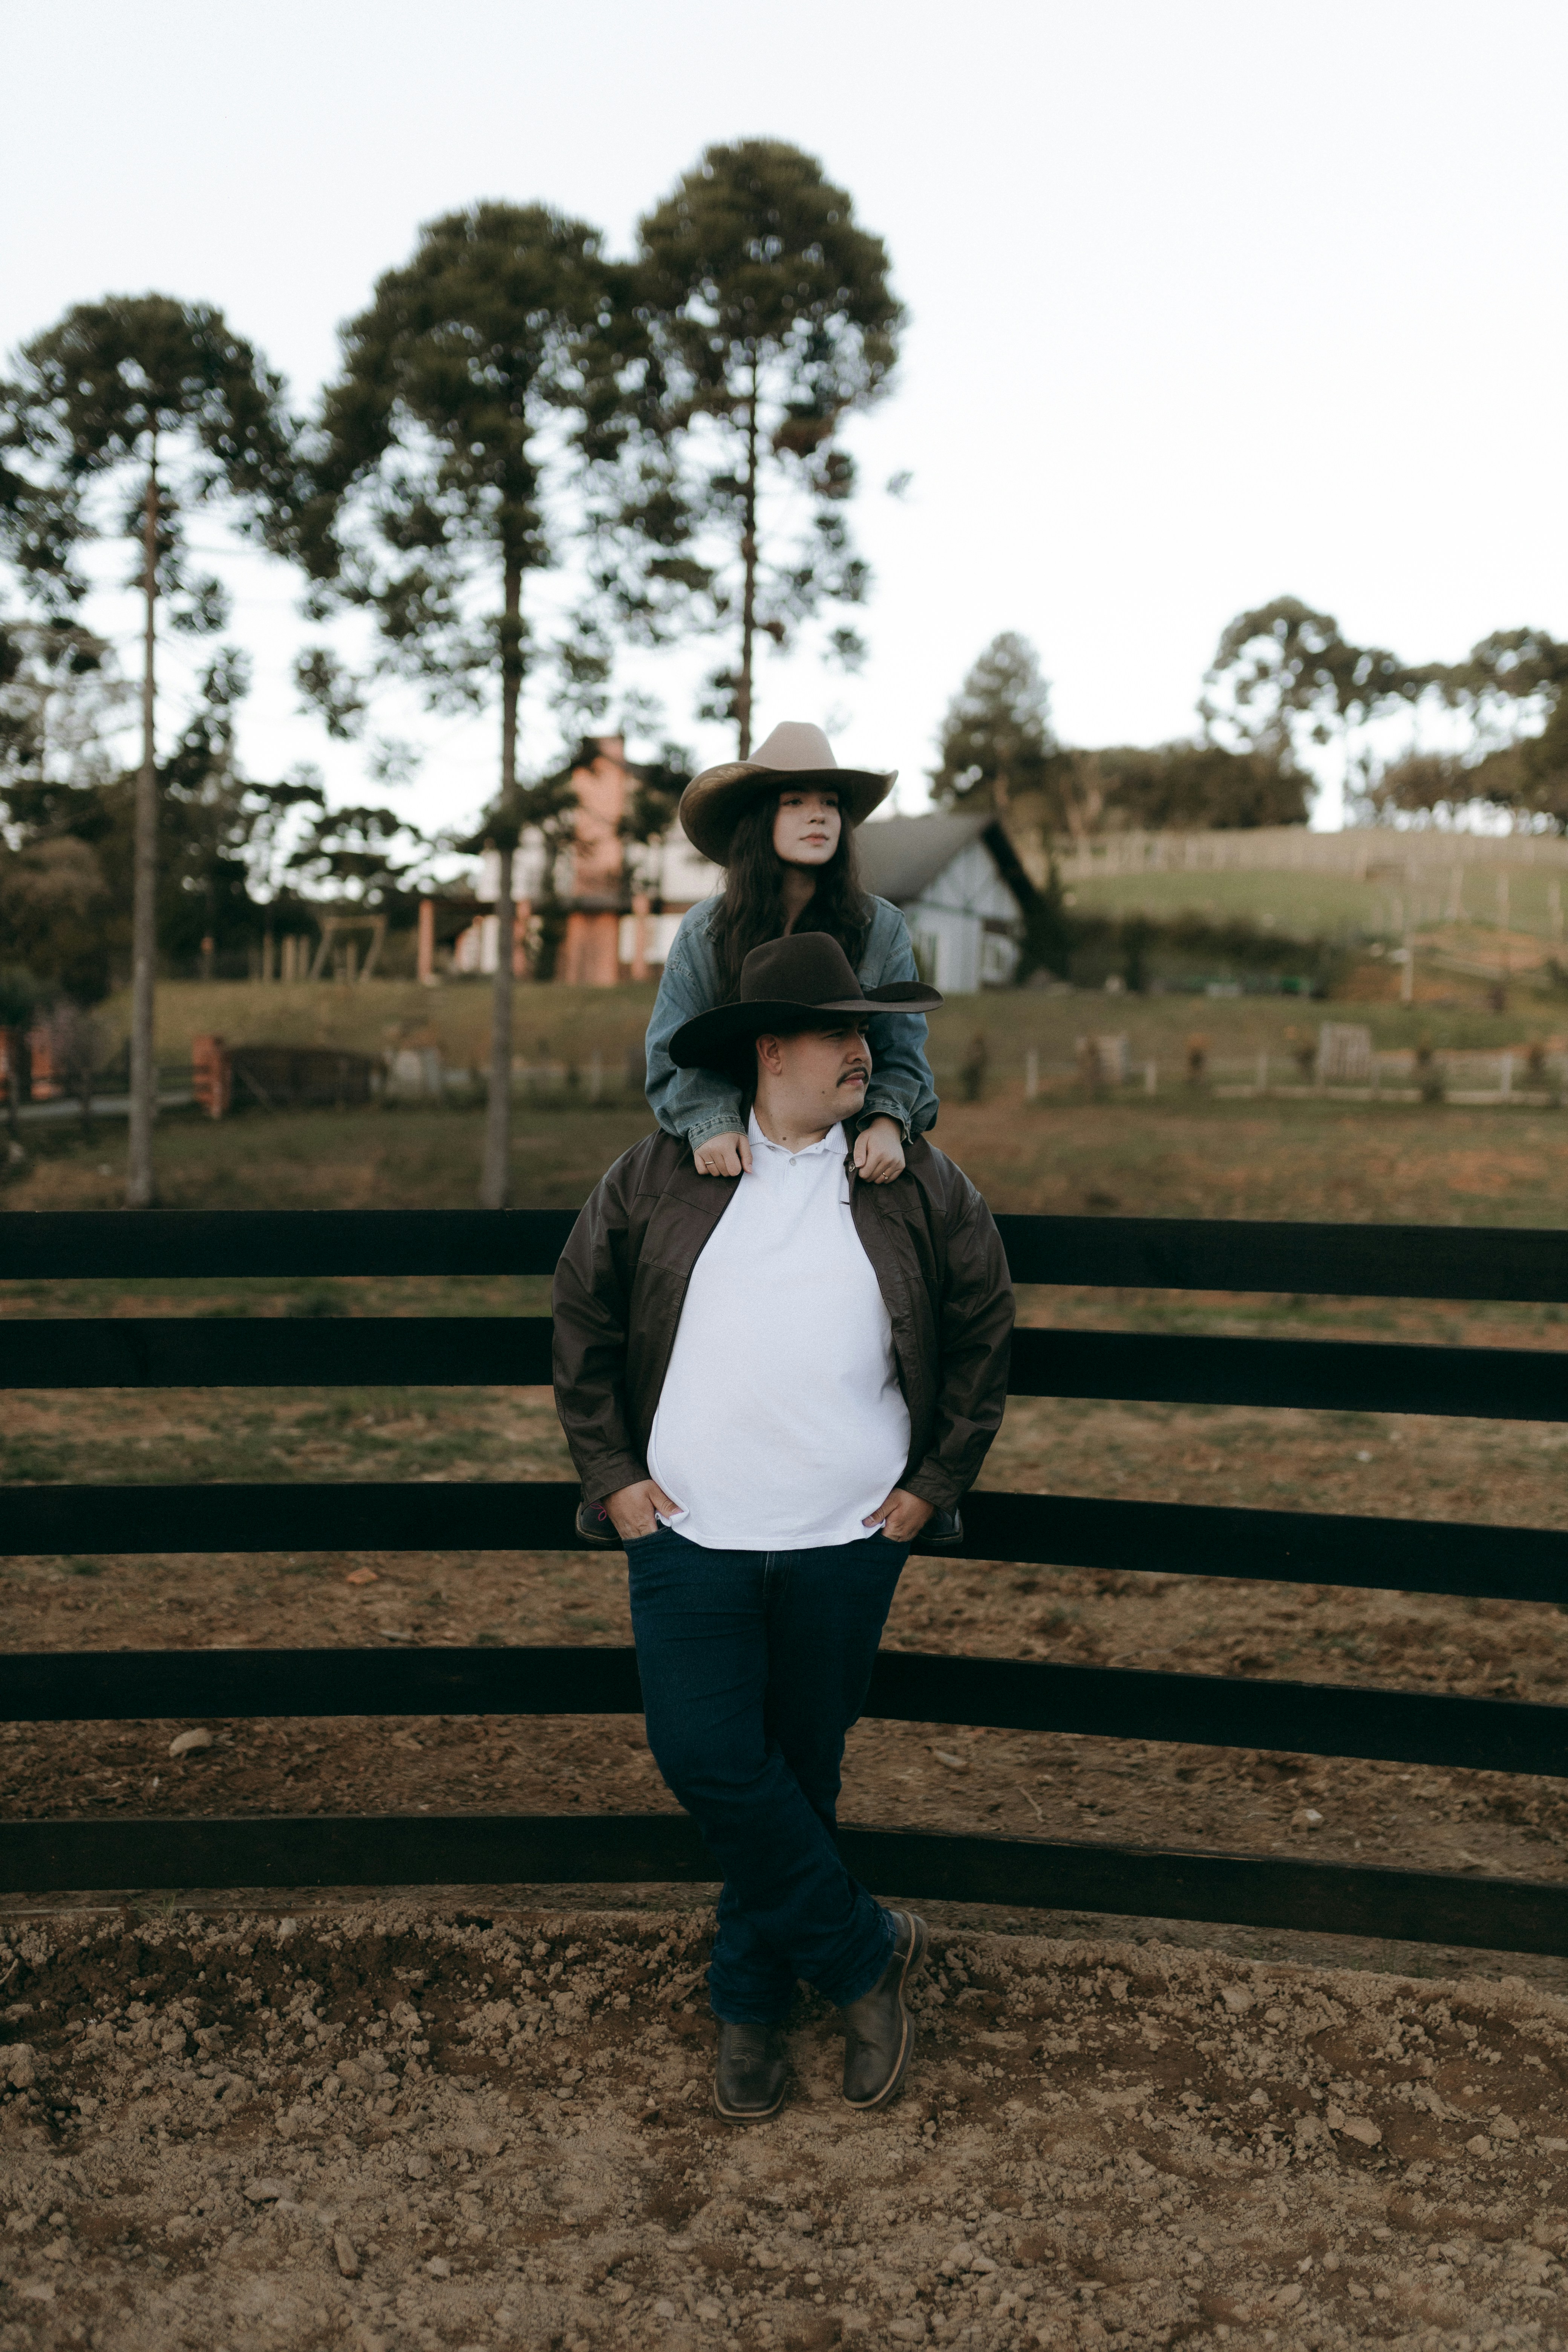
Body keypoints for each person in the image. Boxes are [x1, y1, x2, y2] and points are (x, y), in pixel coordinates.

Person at [553, 932, 1013, 2120]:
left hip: (846, 1537)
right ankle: (867, 1956)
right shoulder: (659, 1175)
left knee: (800, 1778)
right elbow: (582, 1318)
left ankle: (748, 2009)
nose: (867, 1051)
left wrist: (932, 1487)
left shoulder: (912, 1180)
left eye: (869, 1030)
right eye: (838, 1033)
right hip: (689, 1533)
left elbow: (982, 1329)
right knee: (707, 1756)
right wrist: (611, 1475)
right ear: (770, 1051)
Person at [645, 720, 938, 1188]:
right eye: (795, 801)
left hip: (850, 1147)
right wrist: (711, 1122)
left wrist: (885, 1121)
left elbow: (902, 1052)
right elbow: (669, 1051)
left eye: (830, 802)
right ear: (762, 818)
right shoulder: (707, 931)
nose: (817, 815)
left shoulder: (880, 927)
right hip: (736, 1149)